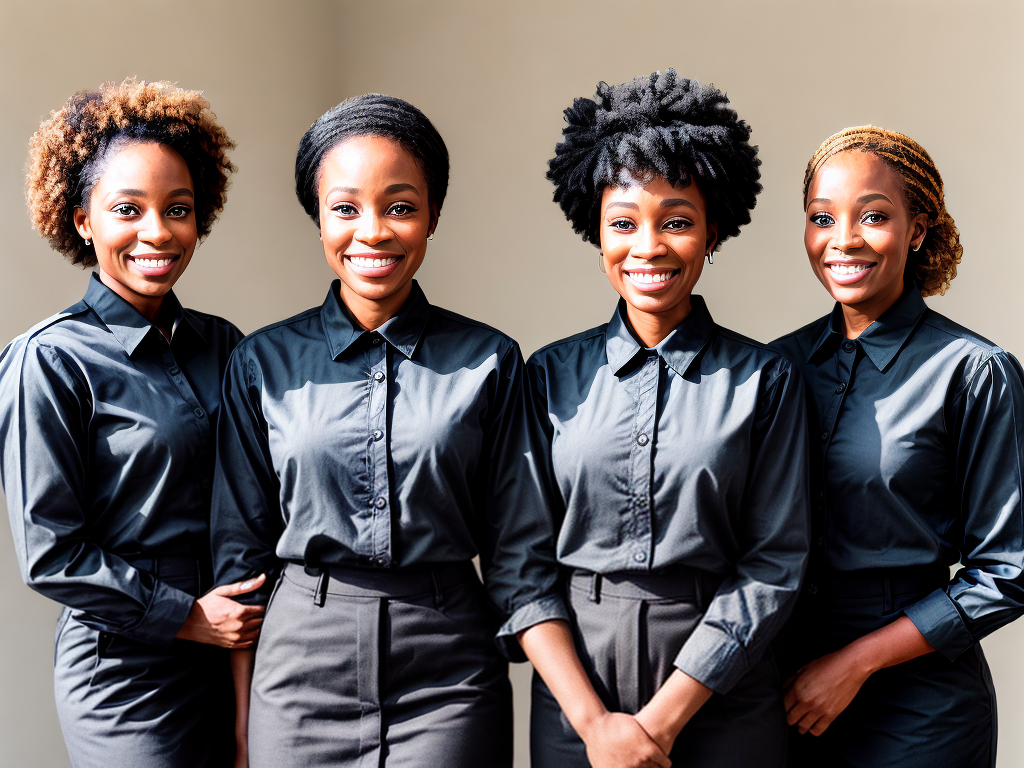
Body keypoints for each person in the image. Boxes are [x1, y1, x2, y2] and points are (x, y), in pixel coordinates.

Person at [210, 93, 565, 768]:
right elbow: (239, 557)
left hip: (449, 669)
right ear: (319, 221)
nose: (371, 231)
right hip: (298, 668)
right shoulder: (261, 363)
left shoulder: (490, 361)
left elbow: (517, 546)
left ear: (432, 216)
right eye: (345, 208)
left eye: (399, 206)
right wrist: (241, 719)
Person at [518, 69, 810, 768]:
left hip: (725, 697)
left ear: (713, 233)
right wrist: (594, 726)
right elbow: (517, 564)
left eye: (676, 222)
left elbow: (775, 563)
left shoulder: (767, 381)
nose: (647, 246)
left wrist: (662, 721)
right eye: (623, 223)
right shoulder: (547, 377)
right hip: (574, 697)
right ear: (597, 235)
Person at [0, 78, 263, 768]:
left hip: (238, 650)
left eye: (177, 208)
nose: (157, 232)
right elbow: (51, 552)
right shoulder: (49, 360)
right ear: (83, 219)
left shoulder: (225, 345)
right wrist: (184, 616)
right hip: (127, 672)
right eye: (127, 209)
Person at [772, 125, 1024, 768]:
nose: (843, 239)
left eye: (875, 216)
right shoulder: (775, 368)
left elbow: (1010, 570)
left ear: (918, 229)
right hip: (779, 692)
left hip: (920, 708)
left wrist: (854, 664)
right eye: (821, 217)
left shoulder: (974, 372)